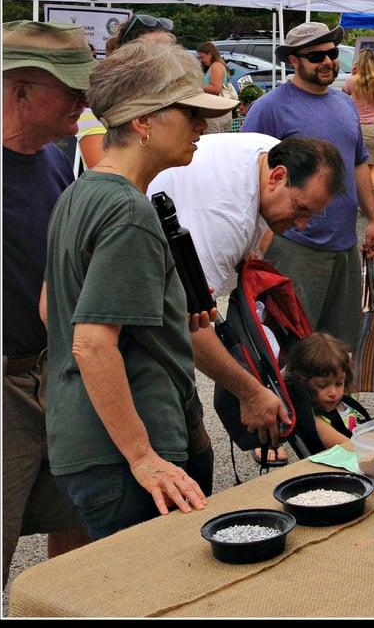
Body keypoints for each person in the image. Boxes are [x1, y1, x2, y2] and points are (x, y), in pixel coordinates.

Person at [43, 42, 238, 540]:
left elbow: (52, 308)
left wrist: (159, 308)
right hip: (124, 455)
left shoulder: (79, 193)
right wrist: (143, 457)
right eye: (191, 112)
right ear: (145, 121)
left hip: (85, 445)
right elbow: (91, 342)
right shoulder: (128, 210)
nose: (202, 125)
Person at [148, 132, 347, 466]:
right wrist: (250, 392)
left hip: (166, 278)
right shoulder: (222, 217)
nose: (301, 225)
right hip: (132, 317)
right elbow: (189, 326)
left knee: (193, 450)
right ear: (278, 177)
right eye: (299, 210)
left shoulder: (268, 152)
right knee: (181, 458)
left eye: (312, 214)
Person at [3, 21, 94, 580]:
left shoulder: (57, 158)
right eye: (72, 88)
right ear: (21, 93)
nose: (84, 101)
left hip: (53, 373)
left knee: (77, 521)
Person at [241, 22, 374, 355]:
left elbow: (359, 163)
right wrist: (260, 239)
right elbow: (246, 173)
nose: (328, 62)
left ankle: (335, 408)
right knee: (291, 346)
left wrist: (373, 219)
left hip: (344, 247)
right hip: (294, 247)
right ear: (293, 61)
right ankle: (289, 409)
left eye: (332, 53)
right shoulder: (270, 107)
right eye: (316, 56)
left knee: (339, 347)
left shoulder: (345, 104)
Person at [77, 15, 177, 170]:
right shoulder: (96, 109)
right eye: (152, 54)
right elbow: (106, 174)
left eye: (167, 52)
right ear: (126, 57)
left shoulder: (174, 104)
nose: (162, 61)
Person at [283, 332, 363, 449]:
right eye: (323, 385)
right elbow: (349, 447)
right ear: (303, 384)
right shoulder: (314, 420)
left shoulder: (345, 403)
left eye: (339, 383)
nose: (333, 393)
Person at [342, 47, 374, 188]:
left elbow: (343, 96)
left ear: (359, 62)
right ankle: (368, 194)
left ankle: (359, 195)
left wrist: (353, 74)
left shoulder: (352, 80)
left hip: (356, 127)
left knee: (358, 165)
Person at [196, 41, 234, 134]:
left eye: (202, 57)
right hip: (220, 112)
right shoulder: (218, 66)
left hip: (216, 114)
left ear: (210, 54)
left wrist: (197, 88)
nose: (201, 60)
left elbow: (216, 89)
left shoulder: (216, 66)